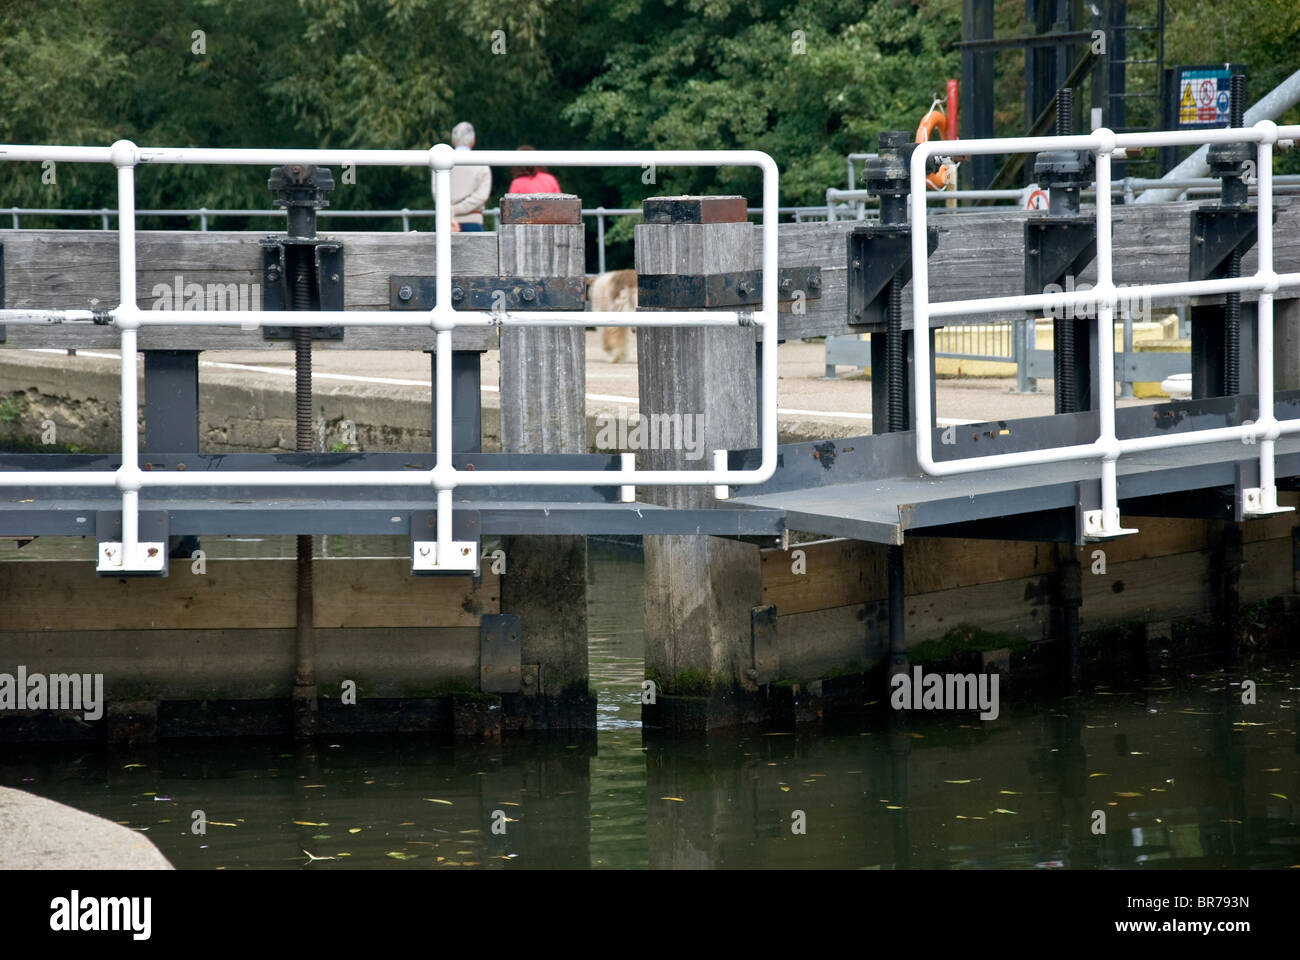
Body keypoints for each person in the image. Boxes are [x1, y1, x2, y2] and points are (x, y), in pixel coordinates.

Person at [438, 121, 491, 232]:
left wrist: (450, 210)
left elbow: (437, 192)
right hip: (472, 222)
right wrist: (457, 209)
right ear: (473, 141)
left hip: (445, 222)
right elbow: (481, 196)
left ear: (452, 141)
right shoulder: (482, 165)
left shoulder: (439, 162)